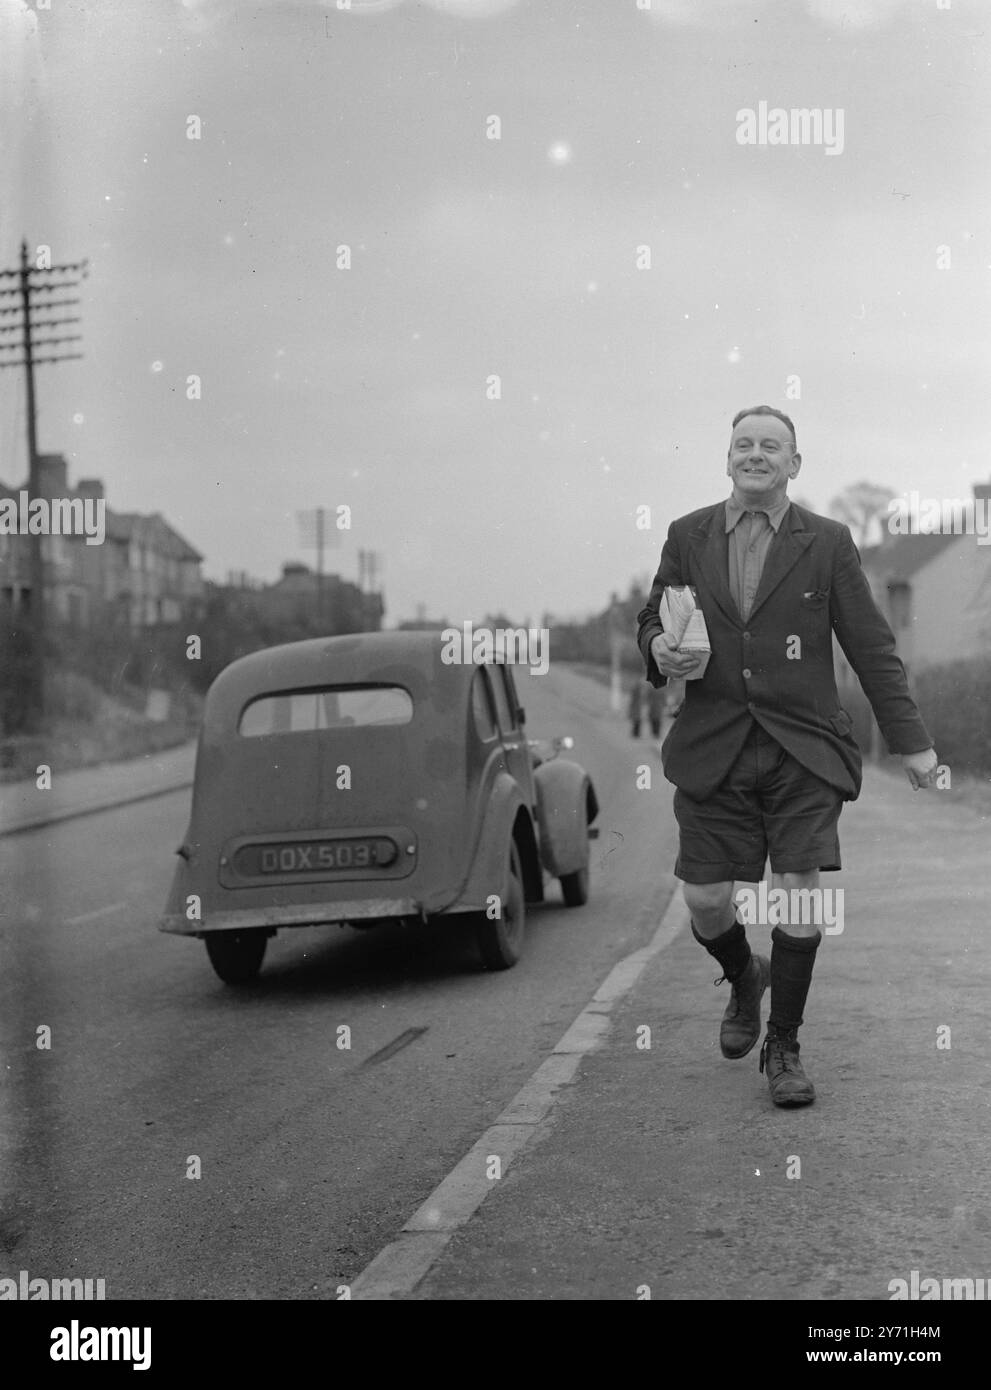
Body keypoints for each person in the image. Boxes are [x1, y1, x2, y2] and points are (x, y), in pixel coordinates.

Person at [636, 405, 938, 1107]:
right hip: (713, 747)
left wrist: (913, 742)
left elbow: (869, 645)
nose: (755, 455)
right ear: (728, 458)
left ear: (793, 464)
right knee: (706, 900)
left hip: (802, 748)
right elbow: (655, 613)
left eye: (771, 446)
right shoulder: (688, 535)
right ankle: (744, 976)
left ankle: (784, 1046)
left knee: (799, 888)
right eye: (743, 444)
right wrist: (656, 645)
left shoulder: (827, 543)